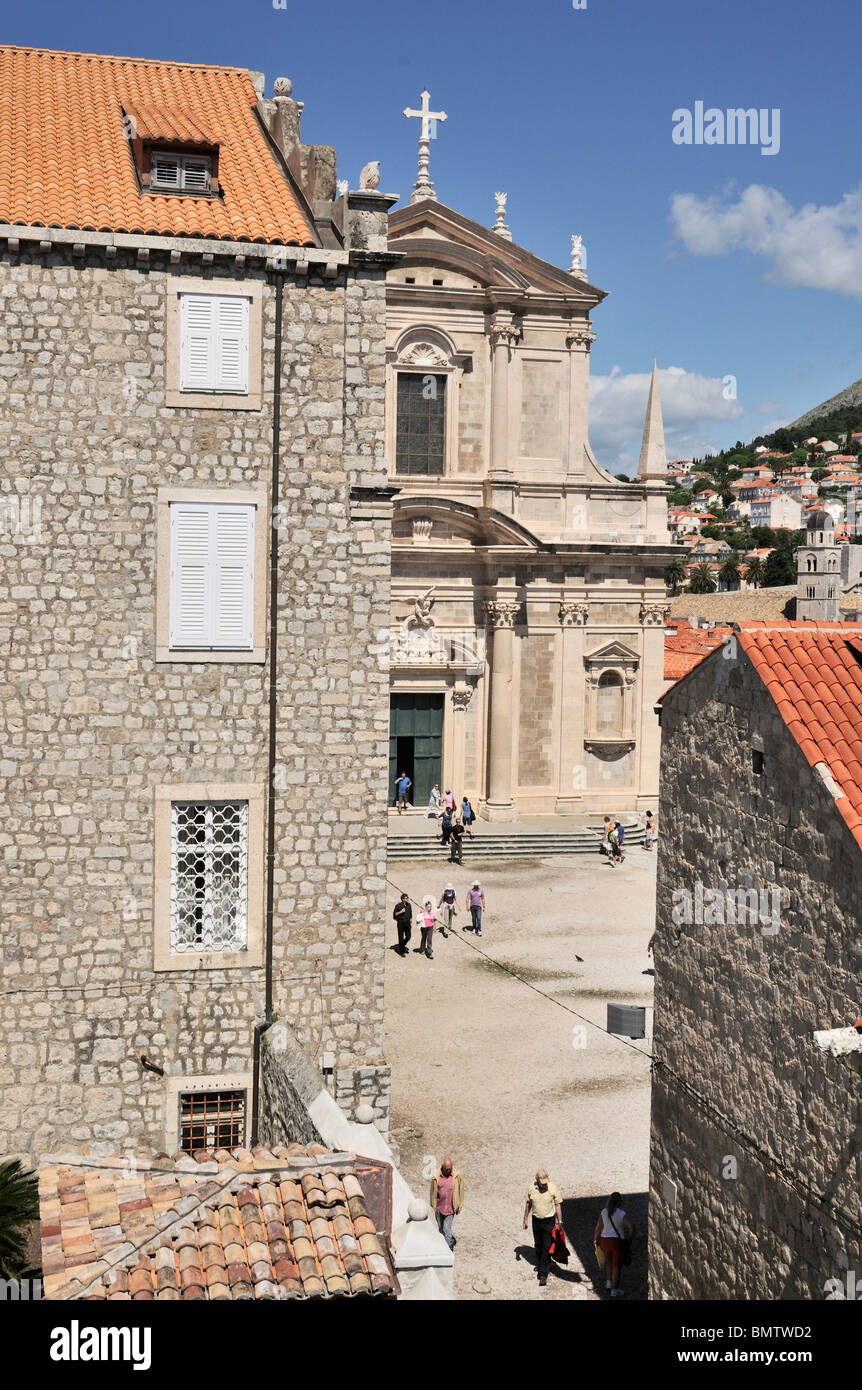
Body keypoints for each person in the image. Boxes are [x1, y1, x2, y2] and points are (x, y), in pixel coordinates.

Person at [523, 1169, 563, 1287]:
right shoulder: (531, 1188)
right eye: (542, 1183)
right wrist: (525, 1219)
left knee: (546, 1246)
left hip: (549, 1221)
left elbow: (557, 1205)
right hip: (536, 1220)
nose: (544, 1184)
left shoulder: (553, 1188)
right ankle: (542, 1264)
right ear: (537, 1180)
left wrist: (560, 1221)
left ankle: (543, 1275)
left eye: (545, 1182)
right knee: (538, 1245)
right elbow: (528, 1204)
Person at [593, 1191, 633, 1297]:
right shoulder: (621, 1214)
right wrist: (629, 1239)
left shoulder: (604, 1212)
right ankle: (614, 1290)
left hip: (604, 1240)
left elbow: (598, 1227)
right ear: (619, 1203)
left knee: (609, 1262)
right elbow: (631, 1227)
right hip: (616, 1242)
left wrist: (595, 1239)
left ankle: (608, 1283)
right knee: (616, 1266)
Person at [430, 1156, 463, 1250]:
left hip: (450, 1208)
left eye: (450, 1169)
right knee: (440, 1228)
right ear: (443, 1167)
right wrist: (432, 1204)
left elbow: (461, 1191)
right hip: (439, 1208)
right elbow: (432, 1190)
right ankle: (450, 1240)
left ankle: (448, 1248)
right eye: (447, 1169)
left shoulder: (457, 1175)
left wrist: (459, 1206)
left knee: (446, 1228)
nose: (449, 1171)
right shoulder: (436, 1175)